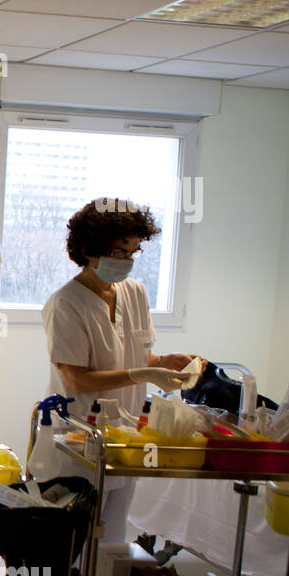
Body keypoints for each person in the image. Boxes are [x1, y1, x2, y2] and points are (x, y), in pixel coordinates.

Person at [42, 198, 200, 544]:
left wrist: (164, 363)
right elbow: (77, 378)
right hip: (81, 437)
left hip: (126, 437)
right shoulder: (66, 303)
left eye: (133, 252)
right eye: (119, 252)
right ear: (89, 250)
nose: (126, 262)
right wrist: (143, 375)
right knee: (77, 544)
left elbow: (137, 356)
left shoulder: (135, 294)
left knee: (112, 539)